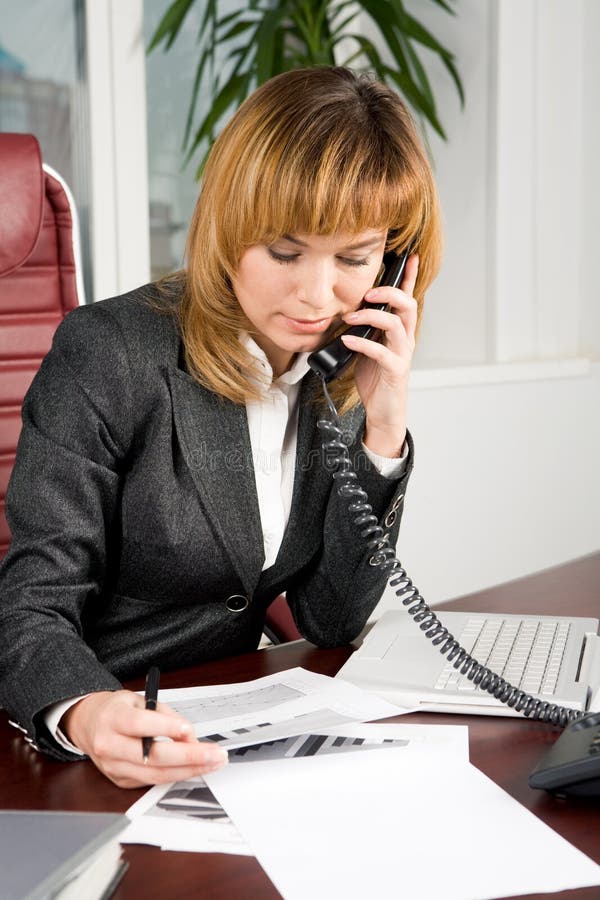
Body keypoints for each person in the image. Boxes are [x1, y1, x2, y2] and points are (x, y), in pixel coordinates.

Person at [0, 66, 441, 788]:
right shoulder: (109, 352)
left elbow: (329, 618)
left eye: (355, 260)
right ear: (227, 228)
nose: (316, 295)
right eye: (285, 251)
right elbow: (31, 603)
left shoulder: (333, 372)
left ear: (391, 263)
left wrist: (384, 424)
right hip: (89, 757)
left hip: (232, 736)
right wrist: (84, 711)